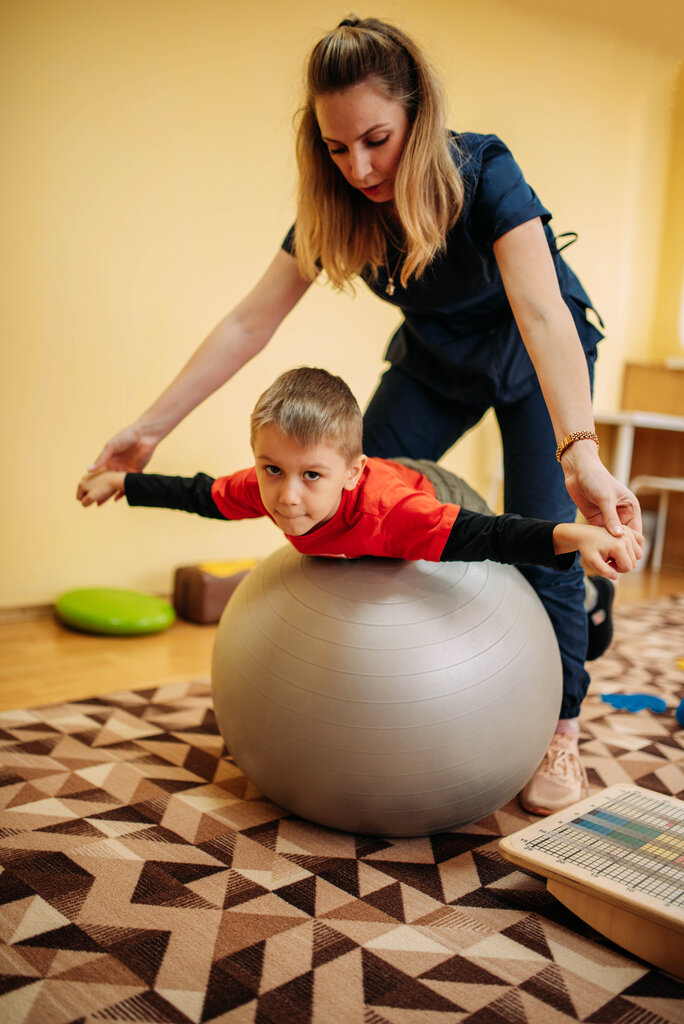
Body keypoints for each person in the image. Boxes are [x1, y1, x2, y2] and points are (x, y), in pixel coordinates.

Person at [83, 17, 642, 814]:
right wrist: (149, 428)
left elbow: (542, 312)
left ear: (418, 113)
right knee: (348, 505)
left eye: (376, 139)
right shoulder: (337, 200)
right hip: (434, 362)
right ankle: (359, 684)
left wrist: (579, 452)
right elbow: (251, 322)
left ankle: (561, 728)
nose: (361, 166)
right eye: (338, 147)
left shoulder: (484, 172)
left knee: (542, 531)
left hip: (533, 352)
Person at [78, 366, 641, 579]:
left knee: (539, 577)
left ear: (350, 473)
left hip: (436, 493)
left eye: (311, 476)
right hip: (386, 479)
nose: (287, 497)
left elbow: (489, 534)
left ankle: (595, 604)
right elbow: (200, 494)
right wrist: (123, 483)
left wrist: (576, 534)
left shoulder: (392, 513)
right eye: (272, 469)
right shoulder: (271, 485)